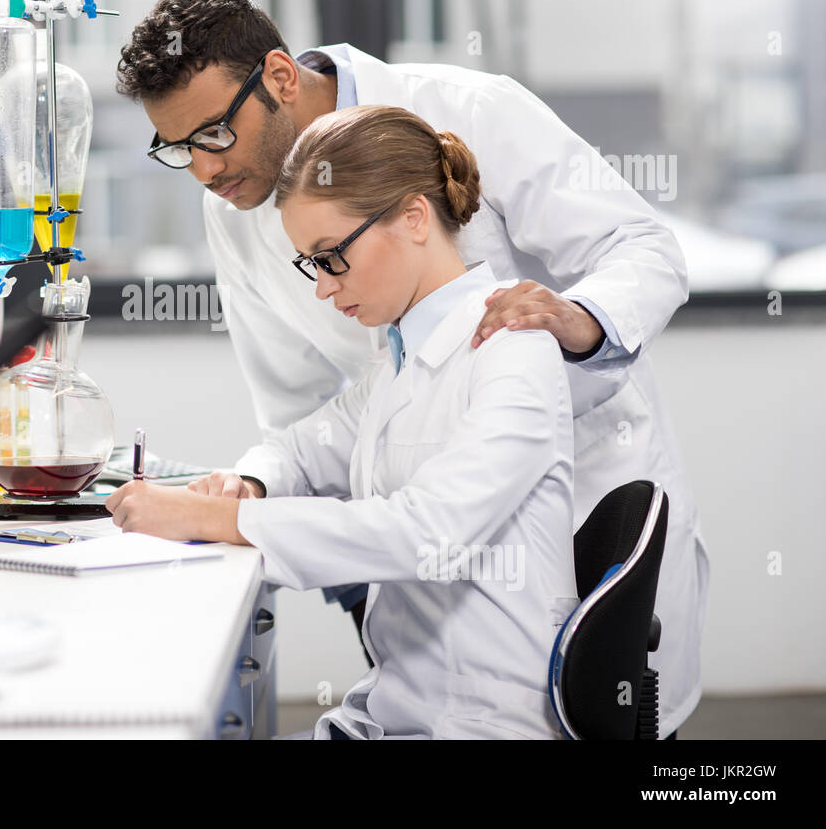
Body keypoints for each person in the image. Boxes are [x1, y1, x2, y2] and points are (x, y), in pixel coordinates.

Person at [115, 0, 707, 738]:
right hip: (414, 611)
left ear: (281, 78)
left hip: (567, 514)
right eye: (177, 149)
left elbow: (646, 248)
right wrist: (256, 486)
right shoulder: (238, 210)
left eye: (213, 135)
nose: (203, 168)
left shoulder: (473, 116)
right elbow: (303, 410)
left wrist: (577, 319)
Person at [106, 105, 580, 739]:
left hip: (477, 724)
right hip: (396, 711)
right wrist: (247, 484)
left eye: (331, 257)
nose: (325, 290)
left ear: (413, 218)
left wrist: (212, 518)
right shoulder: (398, 365)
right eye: (311, 263)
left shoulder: (512, 351)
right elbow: (301, 452)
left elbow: (427, 532)